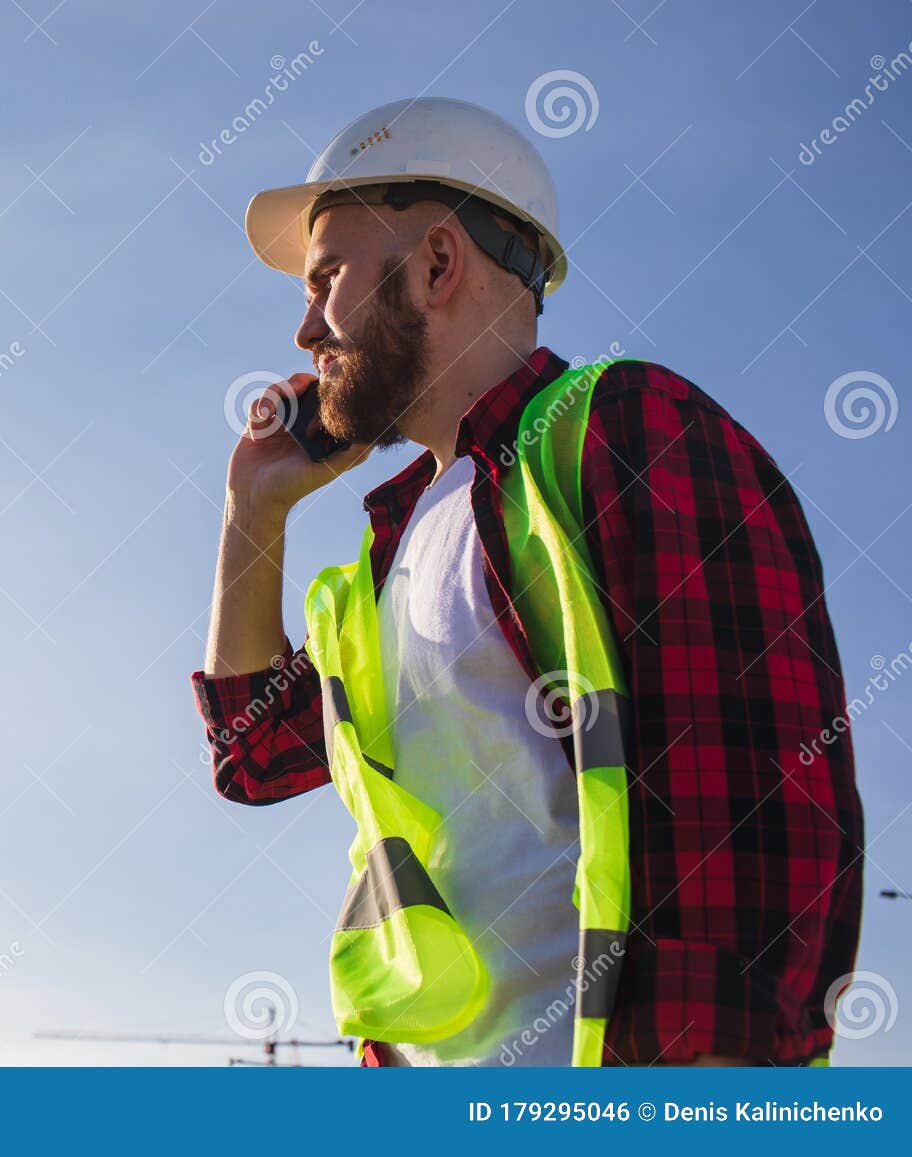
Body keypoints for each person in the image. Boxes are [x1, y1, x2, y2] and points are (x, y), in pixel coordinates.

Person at [191, 97, 863, 1066]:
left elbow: (753, 812)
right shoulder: (383, 557)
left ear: (434, 263)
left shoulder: (623, 428)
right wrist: (251, 509)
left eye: (326, 277)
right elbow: (250, 755)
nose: (303, 329)